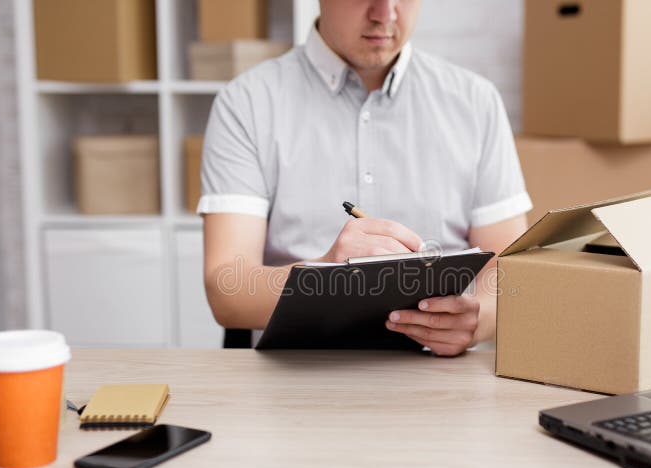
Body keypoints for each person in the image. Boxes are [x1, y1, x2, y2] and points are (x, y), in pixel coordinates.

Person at [198, 0, 531, 356]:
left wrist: (474, 320)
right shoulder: (247, 103)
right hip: (293, 387)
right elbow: (226, 290)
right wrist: (325, 277)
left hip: (439, 383)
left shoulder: (476, 103)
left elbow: (511, 269)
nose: (385, 14)